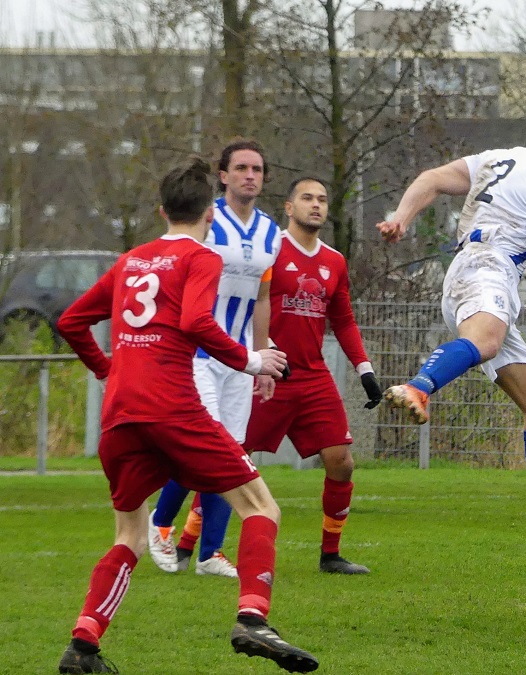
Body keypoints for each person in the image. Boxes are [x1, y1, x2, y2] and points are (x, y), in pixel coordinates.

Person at [54, 157, 317, 673]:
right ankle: (253, 620)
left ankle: (83, 644)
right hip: (173, 407)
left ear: (161, 210)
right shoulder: (202, 257)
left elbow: (71, 321)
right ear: (210, 215)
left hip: (121, 415)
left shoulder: (130, 260)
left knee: (128, 535)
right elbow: (197, 320)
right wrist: (252, 359)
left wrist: (108, 372)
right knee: (262, 507)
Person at [375, 94, 526, 565]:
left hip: (470, 271)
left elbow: (431, 179)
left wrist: (401, 218)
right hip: (488, 268)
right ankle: (418, 386)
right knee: (486, 343)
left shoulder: (501, 158)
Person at [146, 139, 281, 579]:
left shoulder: (269, 232)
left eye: (257, 169)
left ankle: (210, 554)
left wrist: (260, 358)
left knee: (232, 451)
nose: (250, 176)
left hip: (239, 357)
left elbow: (262, 296)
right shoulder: (206, 221)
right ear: (223, 176)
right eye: (241, 168)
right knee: (205, 444)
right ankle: (161, 523)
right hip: (199, 353)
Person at [241, 177, 384, 574]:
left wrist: (365, 370)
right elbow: (250, 306)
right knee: (232, 459)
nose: (316, 205)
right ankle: (193, 545)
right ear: (289, 207)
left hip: (313, 377)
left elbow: (344, 320)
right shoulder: (269, 252)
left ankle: (331, 554)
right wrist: (260, 354)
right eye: (307, 198)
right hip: (268, 372)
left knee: (341, 462)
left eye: (322, 199)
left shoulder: (334, 261)